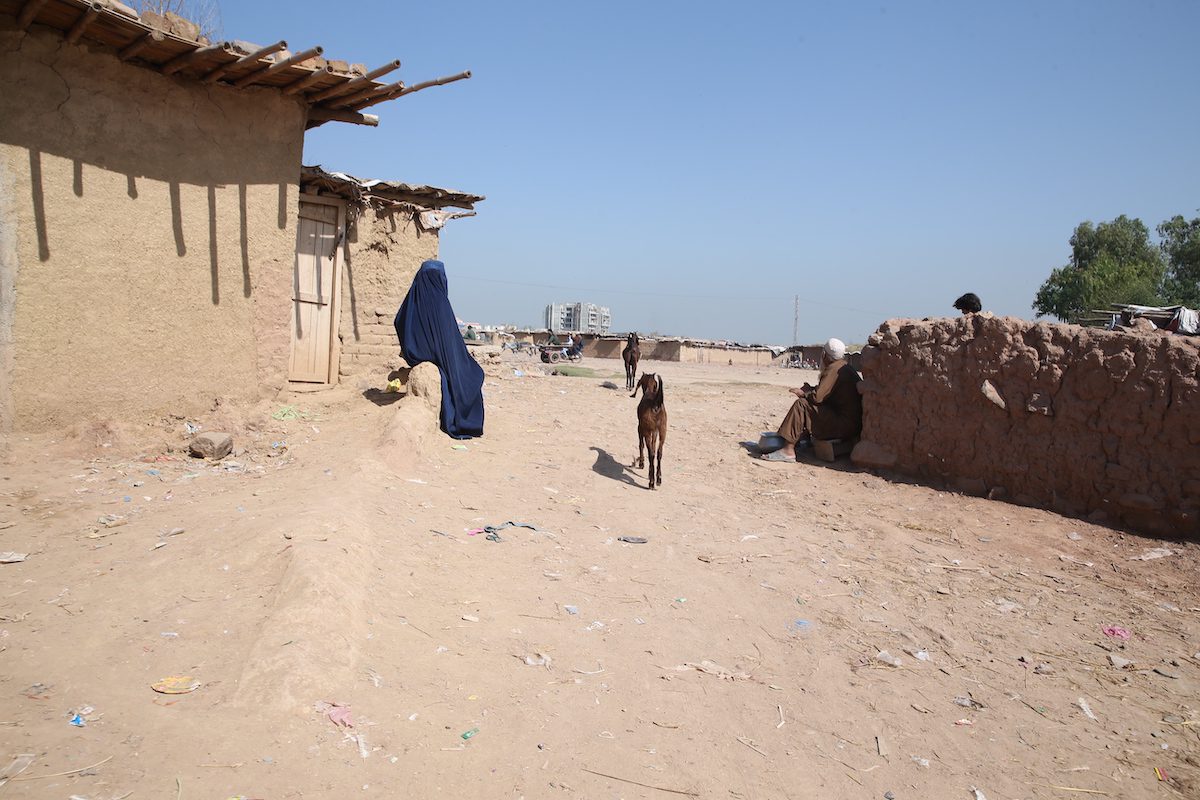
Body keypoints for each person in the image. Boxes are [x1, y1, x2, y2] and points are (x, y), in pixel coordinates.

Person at [394, 260, 484, 439]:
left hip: (415, 353)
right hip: (436, 356)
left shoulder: (412, 300)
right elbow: (451, 347)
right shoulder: (441, 305)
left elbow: (398, 321)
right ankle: (465, 420)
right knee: (471, 374)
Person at [762, 338, 862, 461]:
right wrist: (810, 389)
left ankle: (788, 450)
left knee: (802, 405)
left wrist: (804, 393)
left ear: (824, 355)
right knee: (811, 408)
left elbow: (817, 397)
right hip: (853, 425)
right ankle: (801, 440)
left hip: (843, 425)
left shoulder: (833, 369)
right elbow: (827, 393)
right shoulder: (845, 367)